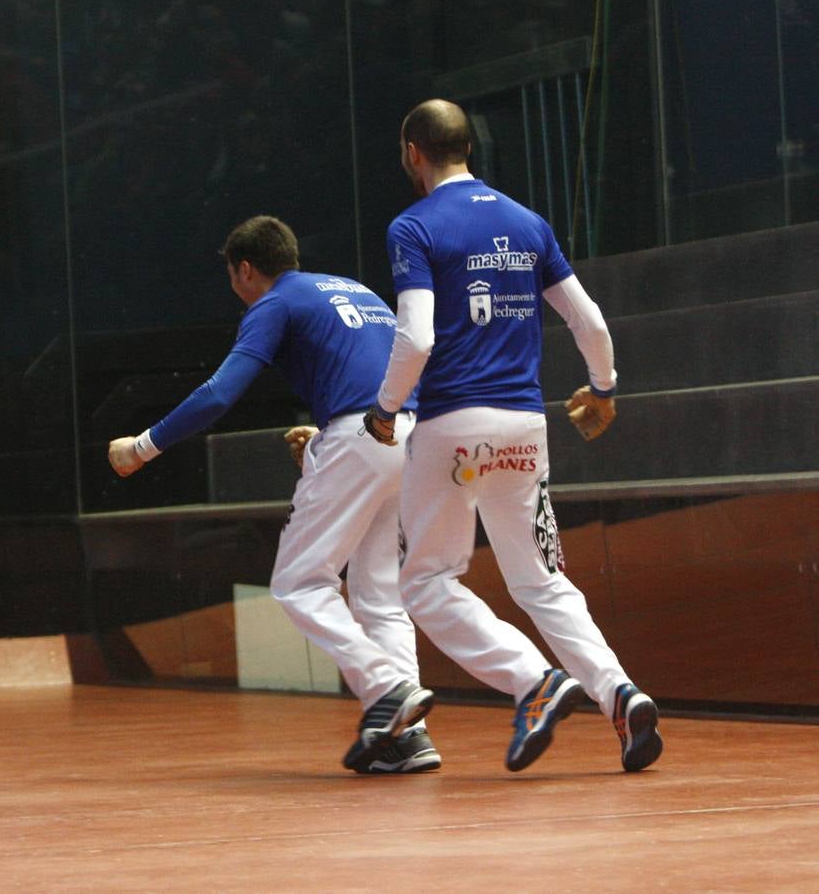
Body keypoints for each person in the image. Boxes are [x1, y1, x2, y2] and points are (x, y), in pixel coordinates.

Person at [364, 99, 662, 772]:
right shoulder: (527, 222)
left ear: (413, 152)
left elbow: (414, 336)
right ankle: (620, 694)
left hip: (451, 427)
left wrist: (385, 410)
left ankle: (533, 681)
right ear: (469, 147)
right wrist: (605, 388)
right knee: (542, 580)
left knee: (426, 581)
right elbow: (588, 322)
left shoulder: (413, 227)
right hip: (525, 429)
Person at [108, 216, 436, 774]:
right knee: (379, 592)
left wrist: (141, 447)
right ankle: (409, 739)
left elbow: (219, 394)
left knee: (297, 583)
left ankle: (387, 689)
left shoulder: (275, 301)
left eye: (233, 279)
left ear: (244, 269)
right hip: (412, 436)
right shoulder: (355, 291)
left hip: (361, 437)